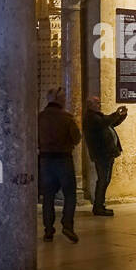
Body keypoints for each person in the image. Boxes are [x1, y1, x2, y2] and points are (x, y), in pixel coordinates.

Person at [38, 87, 81, 242]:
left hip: (45, 160)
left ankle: (48, 230)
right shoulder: (67, 118)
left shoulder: (40, 118)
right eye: (63, 98)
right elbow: (76, 138)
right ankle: (67, 225)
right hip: (63, 159)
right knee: (70, 194)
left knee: (48, 196)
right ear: (59, 100)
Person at [84, 96, 128, 216]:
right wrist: (116, 113)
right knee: (103, 180)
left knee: (105, 180)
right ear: (90, 105)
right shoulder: (91, 118)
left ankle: (99, 205)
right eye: (97, 103)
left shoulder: (98, 116)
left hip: (107, 153)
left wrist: (122, 115)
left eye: (99, 102)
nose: (99, 104)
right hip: (102, 154)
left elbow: (111, 123)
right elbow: (106, 122)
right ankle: (98, 207)